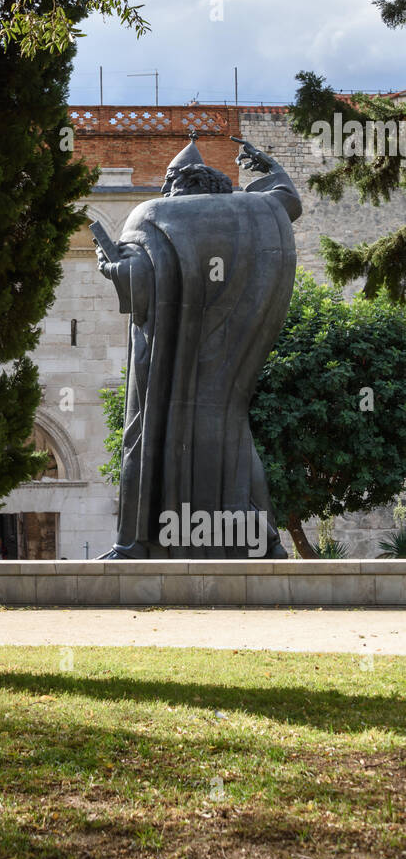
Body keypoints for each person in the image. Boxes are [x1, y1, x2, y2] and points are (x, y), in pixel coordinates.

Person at [94, 134, 302, 561]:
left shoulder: (152, 212)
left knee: (143, 437)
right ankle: (260, 541)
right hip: (226, 369)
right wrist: (268, 167)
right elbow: (288, 199)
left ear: (175, 183)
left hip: (165, 372)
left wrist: (110, 266)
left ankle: (135, 544)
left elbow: (139, 289)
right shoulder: (252, 209)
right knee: (231, 436)